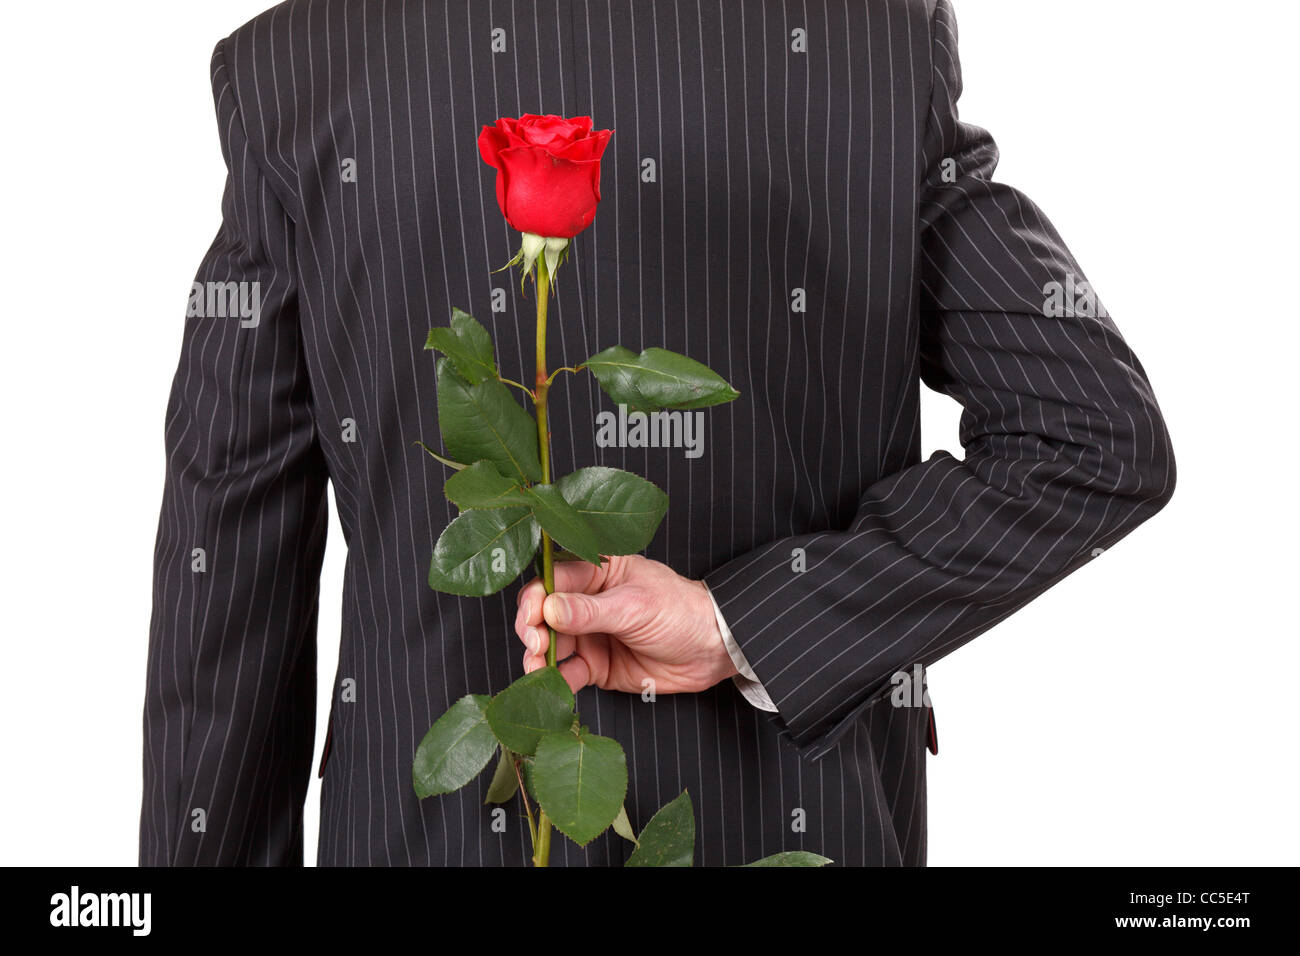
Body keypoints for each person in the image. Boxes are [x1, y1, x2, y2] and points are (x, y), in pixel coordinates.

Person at [142, 0, 1174, 866]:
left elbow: (225, 586)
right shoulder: (866, 36)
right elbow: (1093, 437)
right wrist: (742, 624)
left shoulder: (304, 67)